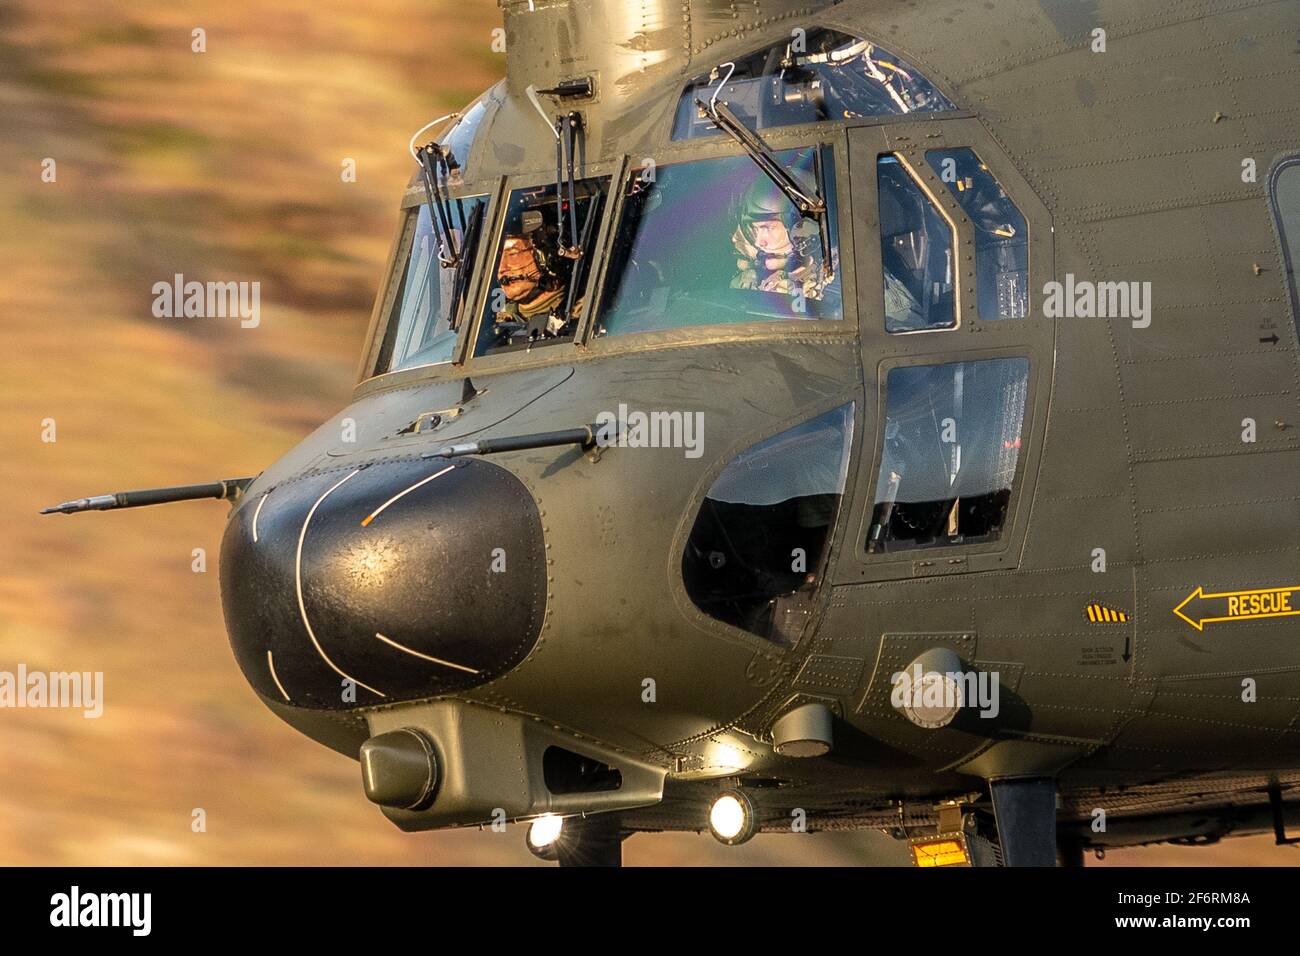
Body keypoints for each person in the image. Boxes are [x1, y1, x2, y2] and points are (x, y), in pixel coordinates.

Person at [729, 185, 831, 304]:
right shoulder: (747, 277)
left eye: (768, 228)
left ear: (802, 229)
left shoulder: (831, 283)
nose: (758, 242)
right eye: (753, 229)